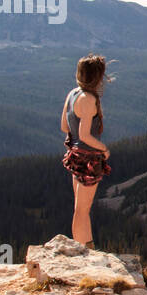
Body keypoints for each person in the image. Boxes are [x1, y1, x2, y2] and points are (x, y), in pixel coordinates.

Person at [60, 54, 112, 248]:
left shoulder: (72, 94)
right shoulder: (89, 99)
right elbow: (85, 135)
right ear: (98, 78)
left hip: (75, 157)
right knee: (83, 210)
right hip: (89, 159)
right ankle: (87, 251)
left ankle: (80, 247)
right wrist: (104, 149)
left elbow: (65, 126)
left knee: (78, 209)